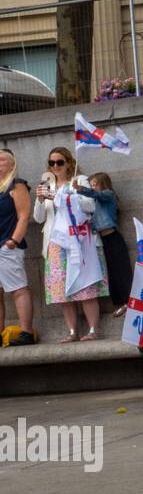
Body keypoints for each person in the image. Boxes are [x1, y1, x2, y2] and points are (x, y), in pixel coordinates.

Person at [33, 146, 107, 342]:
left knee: (86, 288)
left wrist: (65, 196)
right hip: (56, 242)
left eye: (60, 162)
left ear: (69, 162)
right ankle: (72, 332)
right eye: (52, 163)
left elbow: (90, 205)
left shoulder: (79, 181)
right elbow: (39, 218)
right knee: (61, 290)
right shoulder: (46, 184)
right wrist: (40, 200)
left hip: (80, 241)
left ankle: (93, 330)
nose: (55, 166)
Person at [78, 172, 131, 317]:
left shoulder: (108, 194)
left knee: (122, 271)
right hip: (103, 239)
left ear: (102, 183)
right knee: (112, 272)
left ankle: (129, 300)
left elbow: (98, 195)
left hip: (113, 237)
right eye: (91, 184)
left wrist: (82, 189)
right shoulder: (95, 202)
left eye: (95, 184)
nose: (93, 187)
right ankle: (121, 302)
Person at [0, 148, 35, 346]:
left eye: (1, 160)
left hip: (7, 245)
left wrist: (13, 240)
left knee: (18, 289)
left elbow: (24, 215)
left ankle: (26, 332)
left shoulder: (16, 184)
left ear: (12, 164)